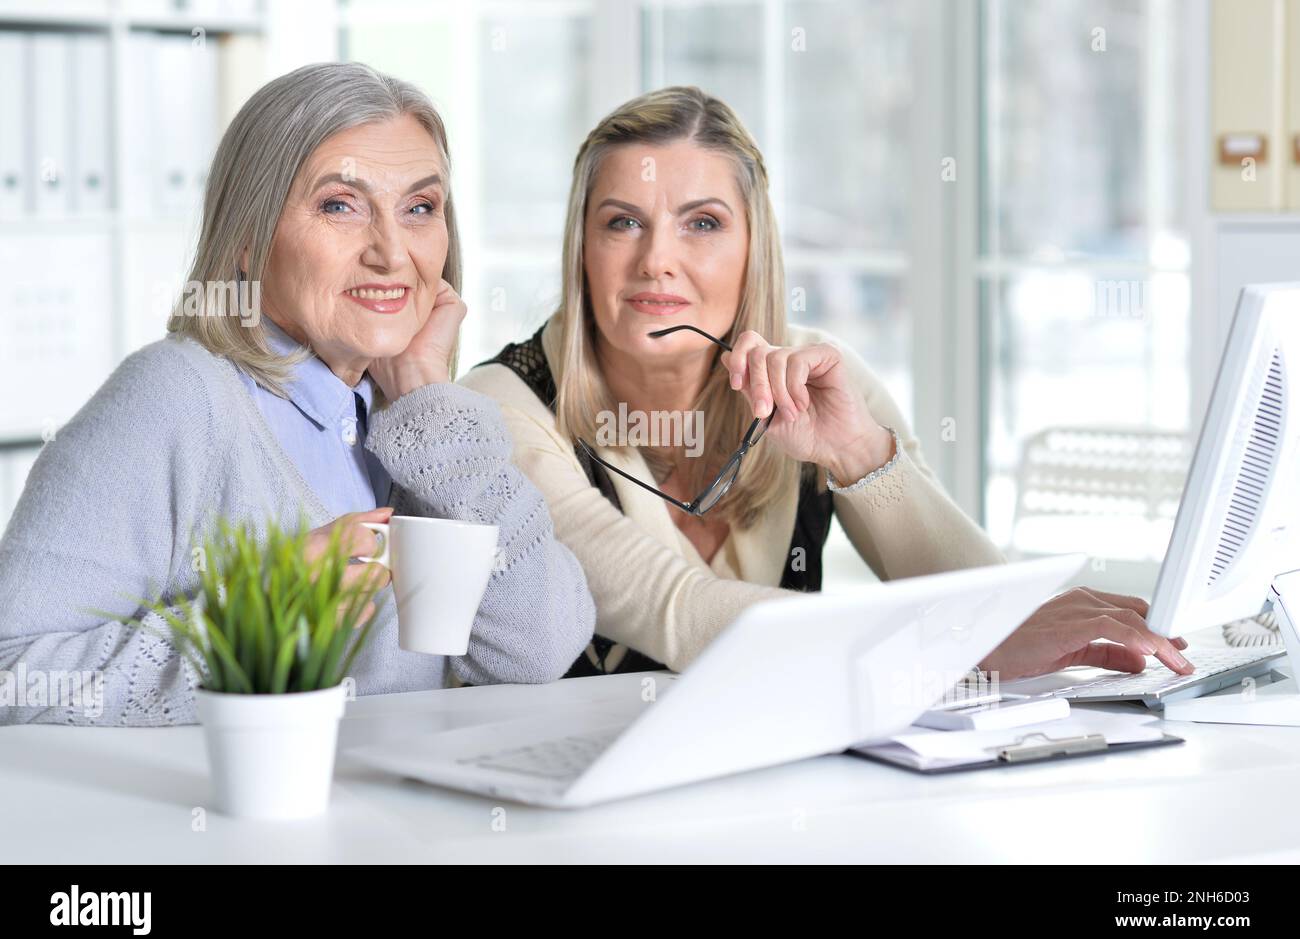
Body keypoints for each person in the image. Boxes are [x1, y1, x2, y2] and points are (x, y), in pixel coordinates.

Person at [459, 85, 1191, 682]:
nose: (657, 260)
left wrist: (864, 459)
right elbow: (672, 606)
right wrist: (961, 644)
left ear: (755, 247)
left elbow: (981, 600)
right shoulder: (504, 407)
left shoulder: (821, 374)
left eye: (702, 224)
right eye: (622, 223)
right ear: (582, 246)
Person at [0, 62, 595, 726]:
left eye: (420, 208)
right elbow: (14, 680)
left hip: (392, 825)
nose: (392, 253)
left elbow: (537, 648)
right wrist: (266, 614)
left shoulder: (420, 424)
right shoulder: (174, 398)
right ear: (249, 239)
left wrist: (430, 399)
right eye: (340, 205)